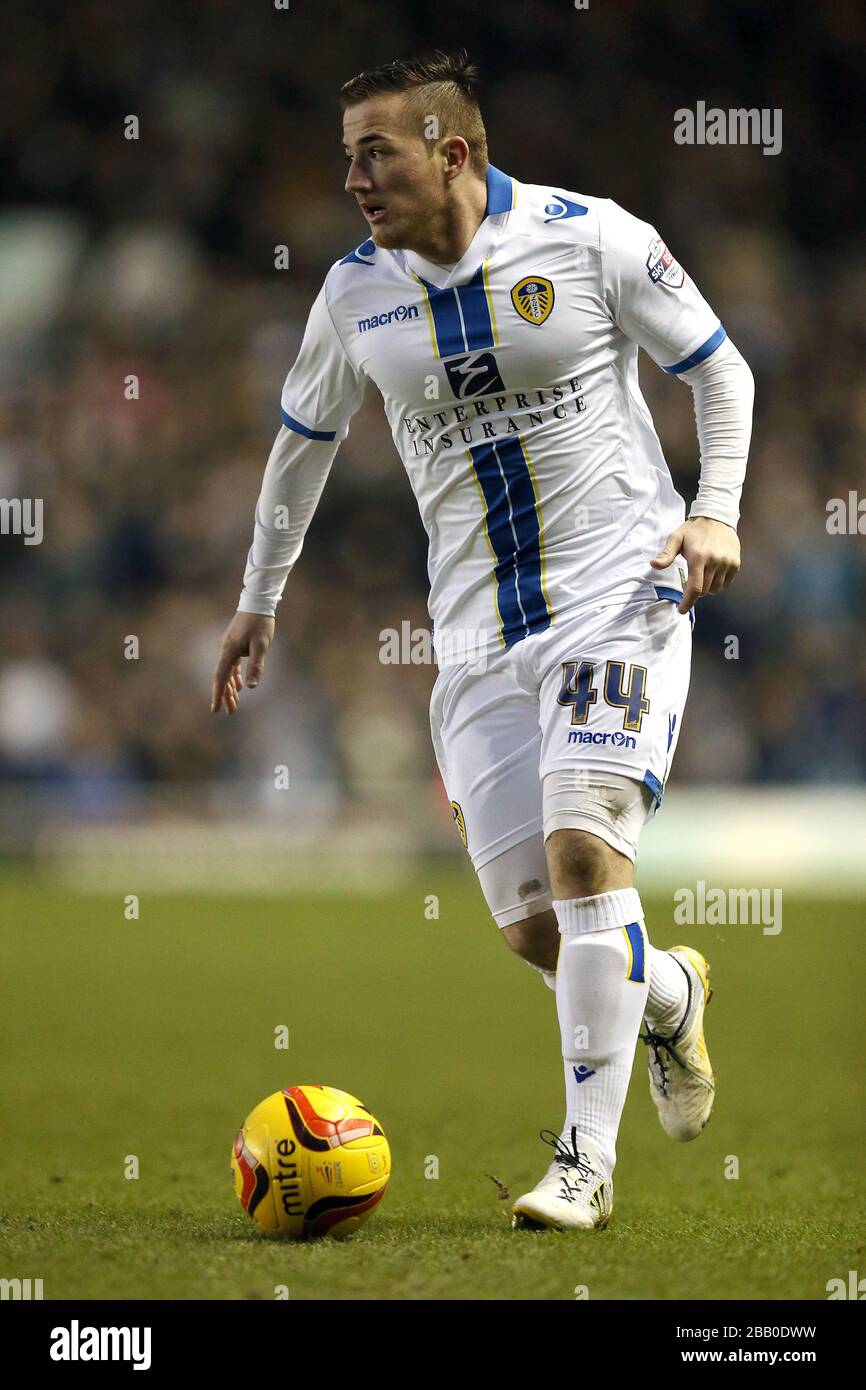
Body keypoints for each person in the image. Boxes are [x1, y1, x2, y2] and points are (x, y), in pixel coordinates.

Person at [211, 50, 754, 1231]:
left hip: (620, 594)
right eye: (346, 153)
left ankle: (581, 1167)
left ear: (451, 151)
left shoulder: (592, 238)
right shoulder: (355, 295)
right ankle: (665, 990)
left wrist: (711, 511)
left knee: (581, 850)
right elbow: (299, 449)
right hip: (471, 636)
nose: (352, 177)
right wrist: (258, 598)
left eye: (375, 152)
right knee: (534, 929)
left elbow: (719, 371)